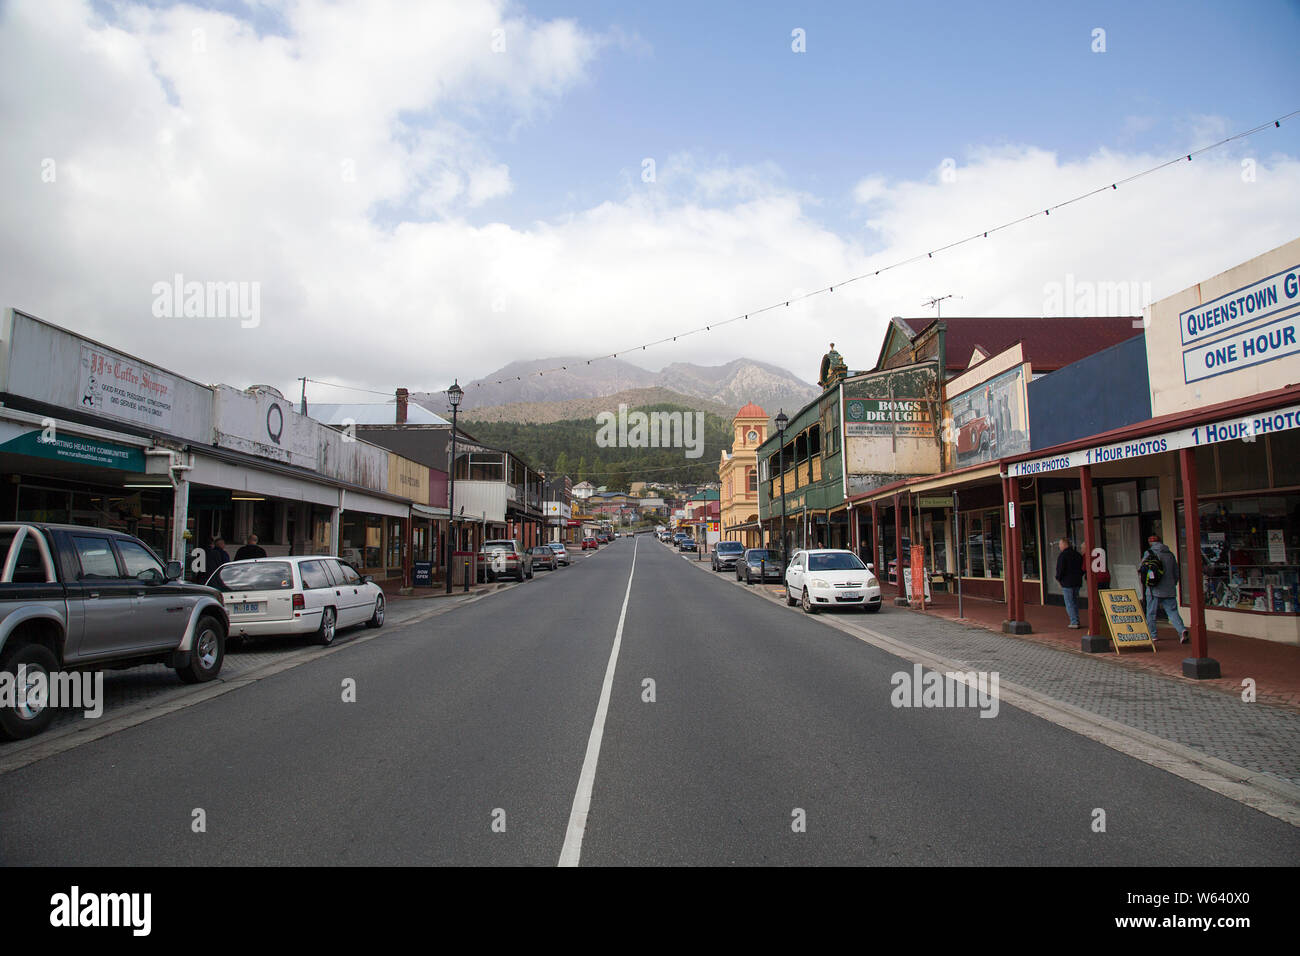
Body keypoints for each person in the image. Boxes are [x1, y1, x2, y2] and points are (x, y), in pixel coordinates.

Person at [1141, 534, 1189, 644]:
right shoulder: (1170, 554)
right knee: (1172, 611)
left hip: (1154, 588)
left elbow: (1142, 569)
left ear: (1150, 543)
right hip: (1169, 588)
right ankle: (1181, 630)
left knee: (1151, 613)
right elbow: (1176, 572)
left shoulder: (1149, 553)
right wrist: (1173, 583)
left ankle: (1153, 635)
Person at [1055, 537, 1085, 629]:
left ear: (1064, 544)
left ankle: (1074, 621)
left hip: (1067, 583)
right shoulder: (1077, 555)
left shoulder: (1063, 555)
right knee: (1074, 601)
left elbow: (1060, 569)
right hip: (1077, 582)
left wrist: (1058, 579)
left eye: (1060, 544)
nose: (1059, 546)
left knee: (1069, 602)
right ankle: (1076, 619)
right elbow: (1082, 568)